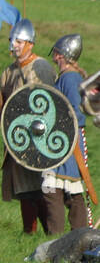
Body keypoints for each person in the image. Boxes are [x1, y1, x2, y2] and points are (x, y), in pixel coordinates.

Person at [0, 19, 60, 233]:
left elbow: (51, 102)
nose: (14, 44)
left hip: (38, 137)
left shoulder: (40, 67)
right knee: (23, 188)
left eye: (19, 40)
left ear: (30, 43)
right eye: (12, 40)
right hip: (16, 136)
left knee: (39, 186)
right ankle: (28, 232)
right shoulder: (9, 71)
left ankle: (49, 230)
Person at [43, 34, 90, 230]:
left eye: (56, 53)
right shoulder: (67, 76)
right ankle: (69, 235)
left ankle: (64, 236)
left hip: (66, 140)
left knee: (56, 188)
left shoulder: (70, 78)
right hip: (62, 138)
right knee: (63, 188)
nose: (54, 56)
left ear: (61, 55)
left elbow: (75, 111)